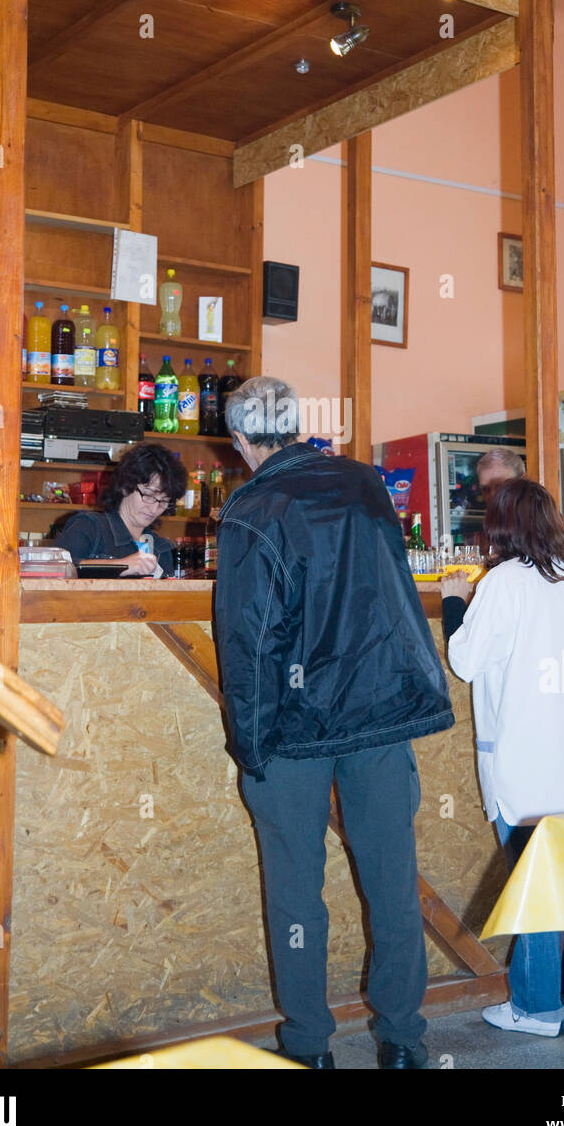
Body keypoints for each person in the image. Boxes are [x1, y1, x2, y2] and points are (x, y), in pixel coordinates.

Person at [215, 376, 454, 1070]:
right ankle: (405, 1042)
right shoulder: (365, 484)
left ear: (238, 441)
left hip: (293, 728)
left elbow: (249, 641)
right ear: (296, 424)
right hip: (378, 714)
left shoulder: (252, 506)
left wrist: (249, 743)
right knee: (392, 882)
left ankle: (310, 1048)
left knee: (297, 894)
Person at [440, 476, 564, 1038]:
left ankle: (537, 1008)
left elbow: (465, 660)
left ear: (501, 527)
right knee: (562, 883)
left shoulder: (504, 582)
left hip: (523, 759)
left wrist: (453, 600)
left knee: (535, 885)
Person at [53, 441, 186, 576]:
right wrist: (121, 565)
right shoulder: (89, 526)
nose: (154, 508)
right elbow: (57, 569)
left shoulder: (162, 548)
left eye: (164, 501)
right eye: (148, 495)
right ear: (125, 486)